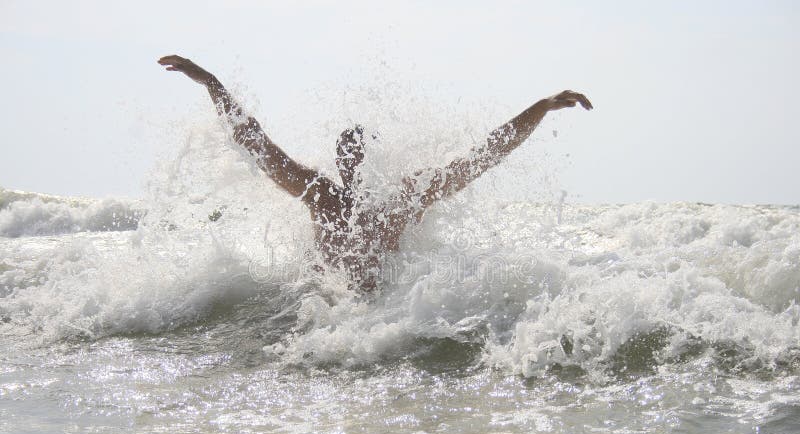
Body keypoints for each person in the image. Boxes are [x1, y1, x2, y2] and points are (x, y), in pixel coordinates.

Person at [158, 55, 592, 291]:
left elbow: (482, 157)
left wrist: (540, 107)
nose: (352, 164)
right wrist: (211, 82)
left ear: (370, 160)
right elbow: (258, 145)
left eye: (359, 155)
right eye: (346, 156)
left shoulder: (402, 199)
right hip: (329, 315)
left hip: (384, 319)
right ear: (339, 162)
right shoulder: (320, 194)